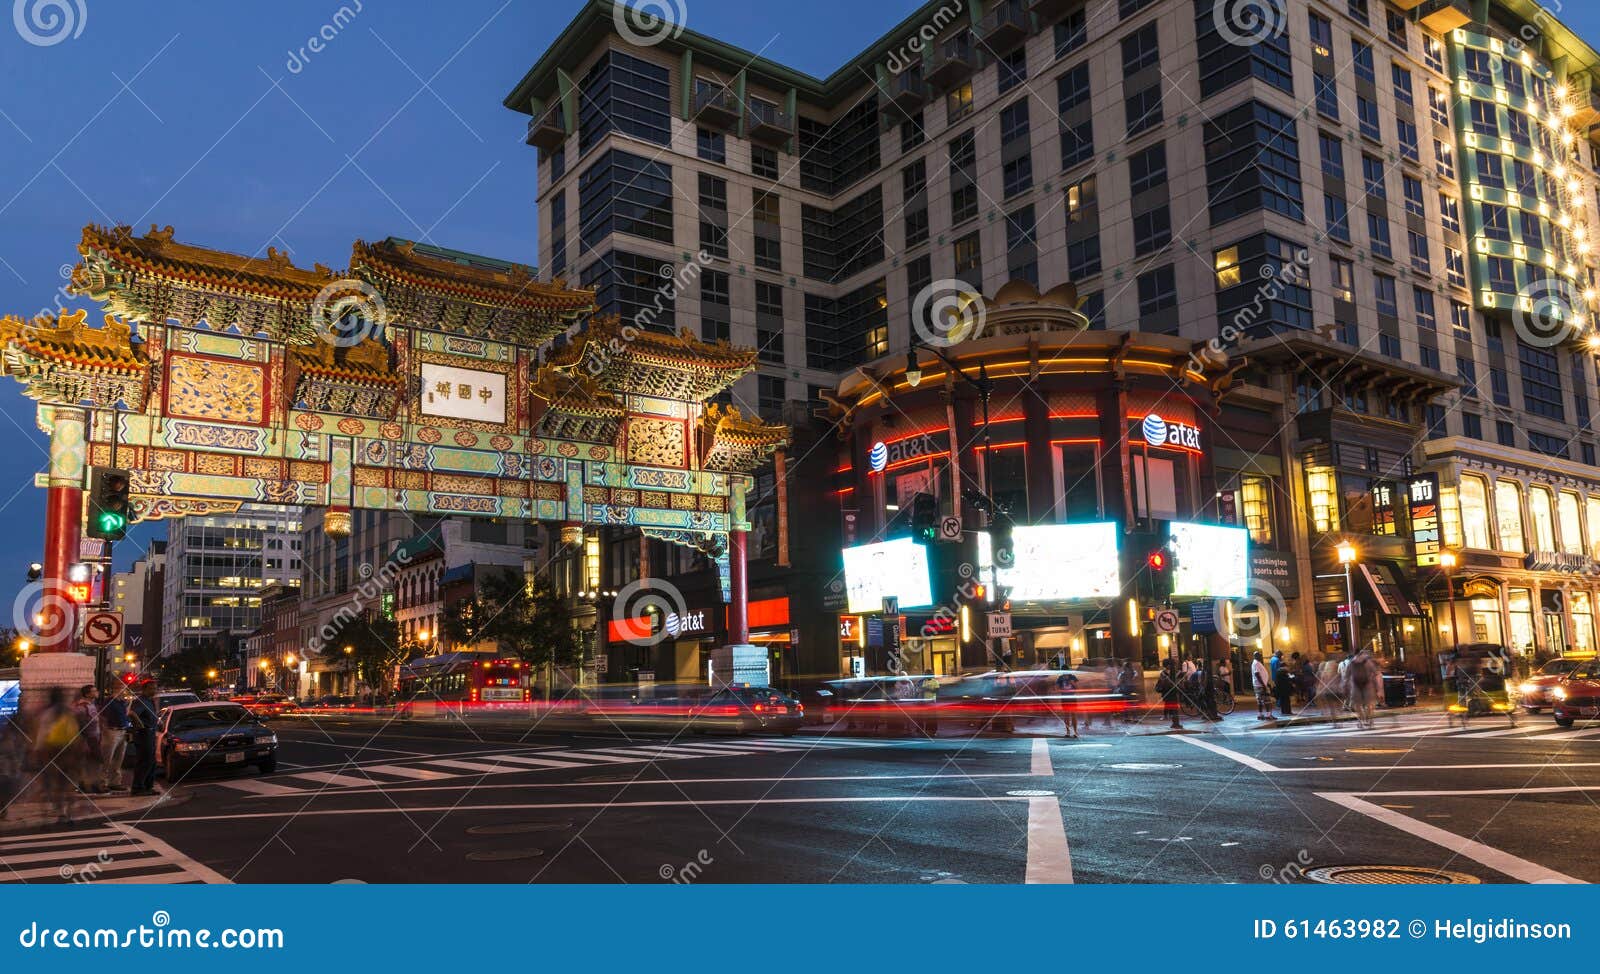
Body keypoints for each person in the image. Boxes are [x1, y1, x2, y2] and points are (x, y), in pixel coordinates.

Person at [35, 687, 82, 823]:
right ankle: (70, 813)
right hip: (69, 749)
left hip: (52, 750)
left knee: (53, 783)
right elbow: (76, 732)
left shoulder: (47, 713)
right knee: (68, 783)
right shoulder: (69, 712)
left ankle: (60, 812)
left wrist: (37, 751)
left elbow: (43, 734)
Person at [128, 681, 161, 796]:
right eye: (152, 688)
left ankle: (148, 786)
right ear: (145, 689)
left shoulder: (150, 701)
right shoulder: (140, 701)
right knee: (144, 762)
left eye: (155, 688)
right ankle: (137, 788)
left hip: (151, 734)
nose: (154, 691)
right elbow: (131, 713)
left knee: (151, 762)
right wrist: (140, 725)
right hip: (144, 735)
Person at [73, 684, 103, 794]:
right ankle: (90, 785)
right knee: (94, 762)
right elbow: (79, 724)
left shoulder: (91, 705)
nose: (97, 692)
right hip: (88, 738)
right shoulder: (82, 707)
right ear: (87, 694)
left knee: (92, 762)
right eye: (94, 691)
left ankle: (89, 784)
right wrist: (83, 740)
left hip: (94, 737)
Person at [100, 686, 131, 793]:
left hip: (122, 731)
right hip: (112, 731)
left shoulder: (122, 703)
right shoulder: (109, 702)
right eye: (123, 691)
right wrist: (104, 728)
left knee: (119, 758)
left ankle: (115, 782)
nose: (125, 694)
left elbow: (126, 715)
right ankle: (103, 782)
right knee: (107, 758)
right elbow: (103, 715)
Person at [1345, 647, 1382, 728]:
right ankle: (1369, 720)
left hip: (1356, 685)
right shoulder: (1368, 661)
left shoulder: (1351, 662)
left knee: (1357, 705)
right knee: (1370, 704)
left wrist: (1346, 686)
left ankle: (1361, 720)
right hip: (1368, 684)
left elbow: (1346, 676)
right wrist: (1379, 688)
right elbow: (1375, 673)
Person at [1156, 660, 1182, 730]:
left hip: (1173, 691)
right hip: (1167, 691)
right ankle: (1172, 719)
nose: (1174, 666)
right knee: (1170, 704)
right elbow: (1164, 682)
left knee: (1172, 705)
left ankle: (1174, 720)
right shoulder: (1164, 673)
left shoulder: (1174, 672)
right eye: (1173, 665)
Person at [1251, 651, 1274, 720]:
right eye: (1259, 655)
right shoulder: (1256, 663)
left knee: (1260, 701)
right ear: (1255, 656)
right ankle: (1268, 715)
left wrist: (1266, 683)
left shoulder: (1257, 662)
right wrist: (1264, 685)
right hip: (1260, 685)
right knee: (1267, 700)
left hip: (1259, 684)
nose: (1260, 656)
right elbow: (1257, 674)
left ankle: (1260, 715)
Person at [1056, 671, 1079, 739]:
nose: (1065, 674)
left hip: (1072, 698)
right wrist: (1060, 689)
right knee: (1066, 715)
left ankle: (1075, 732)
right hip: (1064, 698)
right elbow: (1056, 688)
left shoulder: (1072, 677)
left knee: (1073, 714)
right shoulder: (1060, 678)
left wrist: (1073, 683)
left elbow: (1077, 687)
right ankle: (1068, 732)